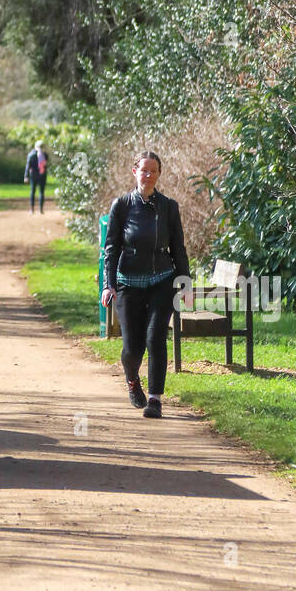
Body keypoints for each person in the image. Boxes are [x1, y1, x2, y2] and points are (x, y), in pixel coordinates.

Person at [101, 150, 190, 419]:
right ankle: (132, 381)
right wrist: (109, 284)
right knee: (132, 348)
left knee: (155, 339)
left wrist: (185, 283)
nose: (148, 175)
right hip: (128, 284)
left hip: (162, 281)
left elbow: (178, 248)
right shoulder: (122, 205)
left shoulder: (168, 207)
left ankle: (155, 399)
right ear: (135, 172)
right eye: (144, 170)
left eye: (153, 171)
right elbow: (111, 248)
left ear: (159, 174)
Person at [23, 139, 49, 214]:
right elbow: (45, 165)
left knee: (33, 191)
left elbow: (28, 166)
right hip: (42, 175)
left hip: (33, 175)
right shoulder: (45, 155)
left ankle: (32, 209)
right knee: (41, 192)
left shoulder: (31, 155)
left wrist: (26, 176)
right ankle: (41, 210)